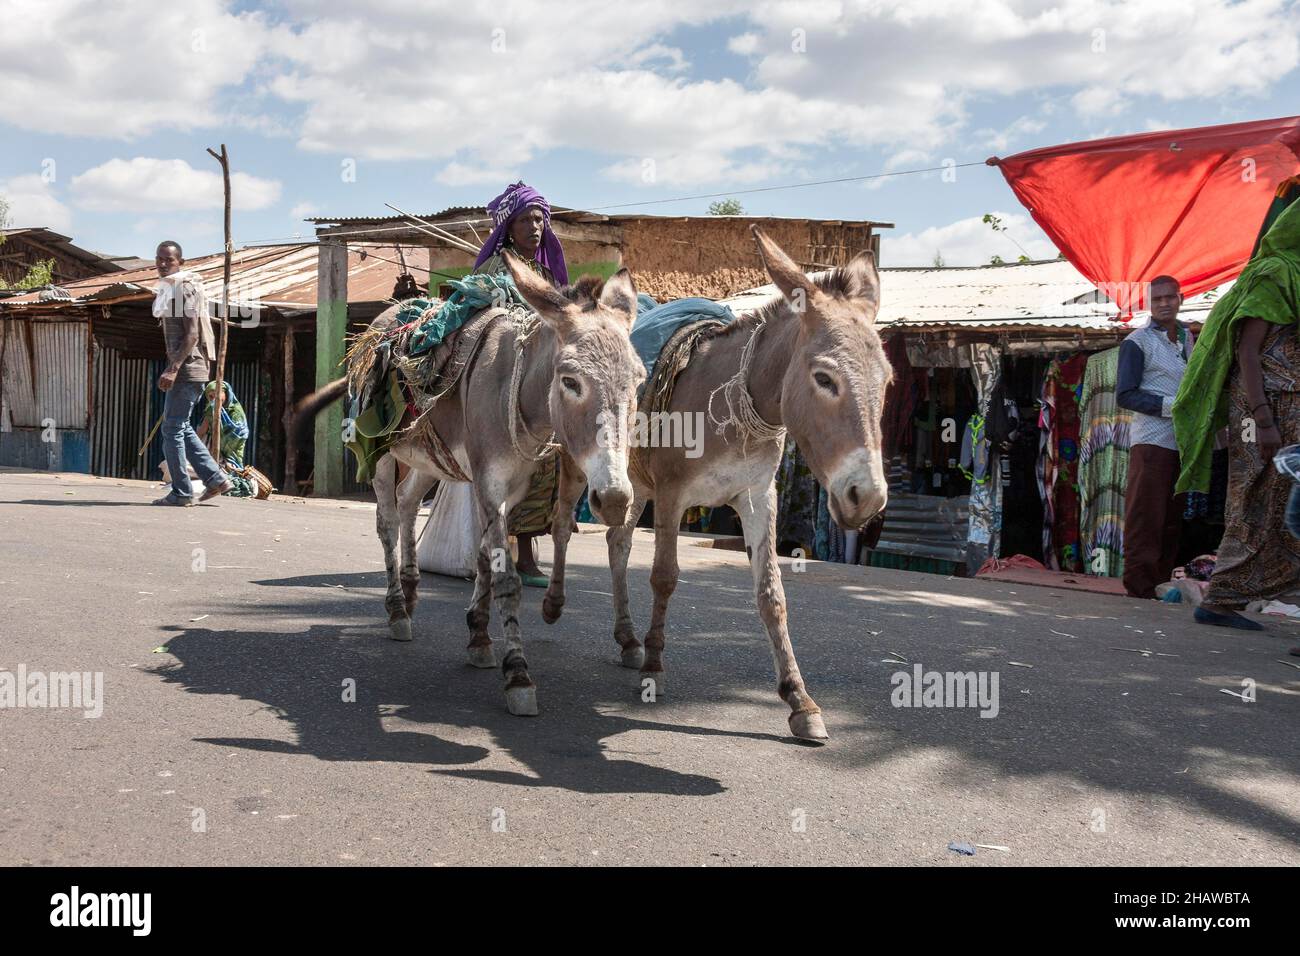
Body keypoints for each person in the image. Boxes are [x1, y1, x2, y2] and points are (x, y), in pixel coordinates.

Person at [1173, 189, 1300, 630]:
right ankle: (1220, 599)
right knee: (1254, 503)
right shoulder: (1274, 273)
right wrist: (1264, 422)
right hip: (1265, 415)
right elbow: (1247, 351)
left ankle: (1235, 597)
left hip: (1288, 412)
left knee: (1283, 506)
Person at [470, 183, 569, 586]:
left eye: (539, 218)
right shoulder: (496, 270)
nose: (535, 225)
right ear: (508, 227)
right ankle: (505, 556)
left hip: (539, 380)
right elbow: (484, 322)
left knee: (543, 465)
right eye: (526, 219)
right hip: (501, 379)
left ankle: (525, 553)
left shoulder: (546, 274)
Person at [1115, 275, 1192, 598]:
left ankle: (1161, 585)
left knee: (1172, 518)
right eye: (1157, 298)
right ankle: (1140, 588)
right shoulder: (1137, 341)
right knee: (1146, 516)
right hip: (1151, 442)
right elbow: (1126, 395)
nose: (1164, 303)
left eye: (1169, 297)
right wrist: (1175, 406)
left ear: (1180, 299)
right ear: (1149, 302)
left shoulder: (1188, 338)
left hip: (1182, 444)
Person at [151, 241, 232, 506]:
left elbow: (192, 334)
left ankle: (182, 491)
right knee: (180, 426)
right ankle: (216, 479)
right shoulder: (170, 288)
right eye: (159, 259)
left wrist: (173, 369)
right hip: (188, 369)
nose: (163, 264)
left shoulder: (183, 288)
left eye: (169, 260)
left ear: (180, 263)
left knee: (172, 429)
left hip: (188, 369)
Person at [195, 380, 258, 497]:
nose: (214, 399)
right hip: (210, 448)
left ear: (226, 393)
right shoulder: (210, 409)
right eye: (211, 396)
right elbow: (201, 432)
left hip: (231, 454)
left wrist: (223, 431)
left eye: (218, 395)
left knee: (227, 471)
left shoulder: (236, 411)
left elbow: (241, 434)